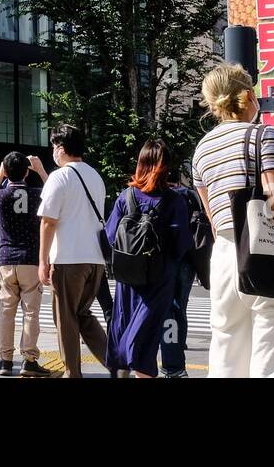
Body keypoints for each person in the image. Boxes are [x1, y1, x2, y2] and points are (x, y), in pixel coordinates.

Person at [193, 65, 274, 378]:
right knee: (273, 356)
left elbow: (212, 216)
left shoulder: (202, 148)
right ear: (249, 95)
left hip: (223, 255)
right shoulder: (263, 135)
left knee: (227, 351)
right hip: (266, 249)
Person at [105, 139, 193, 378]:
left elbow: (112, 235)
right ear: (165, 167)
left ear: (141, 164)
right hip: (159, 279)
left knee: (126, 330)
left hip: (127, 279)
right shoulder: (174, 200)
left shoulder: (126, 197)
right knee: (148, 337)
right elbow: (181, 244)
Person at [37, 124, 109, 378]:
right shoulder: (95, 176)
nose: (53, 153)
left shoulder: (60, 177)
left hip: (68, 258)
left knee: (65, 318)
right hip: (95, 260)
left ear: (61, 149)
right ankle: (116, 362)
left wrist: (43, 260)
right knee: (83, 314)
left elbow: (48, 220)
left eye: (54, 147)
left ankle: (71, 373)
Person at [0, 151, 50, 377]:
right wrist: (41, 170)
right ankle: (29, 360)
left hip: (6, 259)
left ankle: (5, 361)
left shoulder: (1, 197)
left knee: (6, 312)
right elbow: (53, 194)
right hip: (30, 259)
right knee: (31, 312)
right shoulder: (36, 195)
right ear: (27, 171)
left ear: (6, 172)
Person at [159, 165, 207, 378]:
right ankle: (181, 343)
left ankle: (172, 354)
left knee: (168, 309)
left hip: (166, 260)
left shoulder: (160, 195)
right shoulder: (189, 195)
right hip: (188, 259)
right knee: (181, 306)